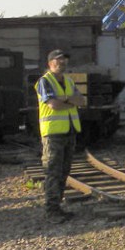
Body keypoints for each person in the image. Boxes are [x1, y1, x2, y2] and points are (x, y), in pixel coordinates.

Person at [35, 49, 83, 222]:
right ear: (50, 63)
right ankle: (51, 210)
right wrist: (70, 101)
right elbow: (54, 104)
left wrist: (65, 101)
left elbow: (82, 101)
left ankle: (58, 208)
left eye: (64, 59)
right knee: (53, 172)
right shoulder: (44, 81)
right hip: (53, 134)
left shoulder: (69, 81)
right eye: (58, 59)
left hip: (69, 131)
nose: (62, 62)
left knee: (64, 171)